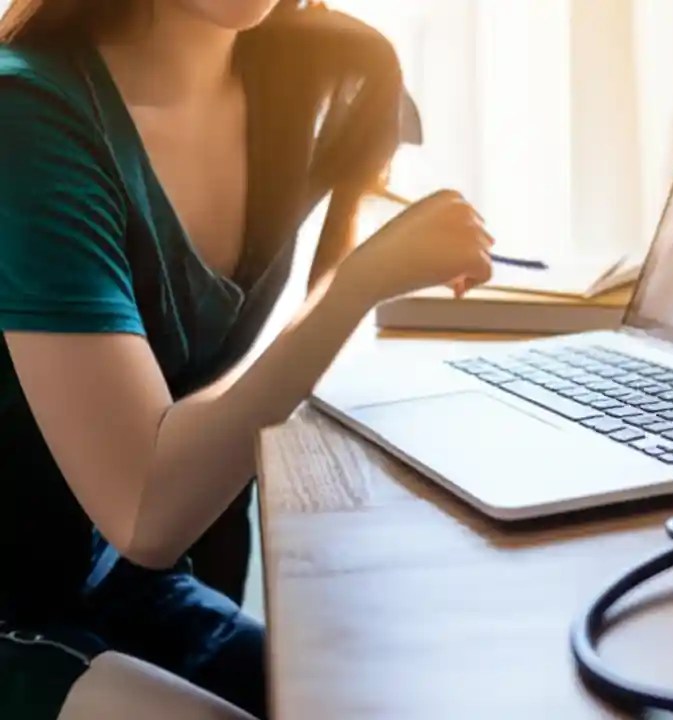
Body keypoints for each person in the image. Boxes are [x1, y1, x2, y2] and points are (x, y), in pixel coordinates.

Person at [0, 0, 494, 717]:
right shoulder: (27, 115)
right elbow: (145, 511)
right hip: (20, 603)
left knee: (391, 698)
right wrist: (354, 286)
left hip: (123, 585)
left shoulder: (324, 74)